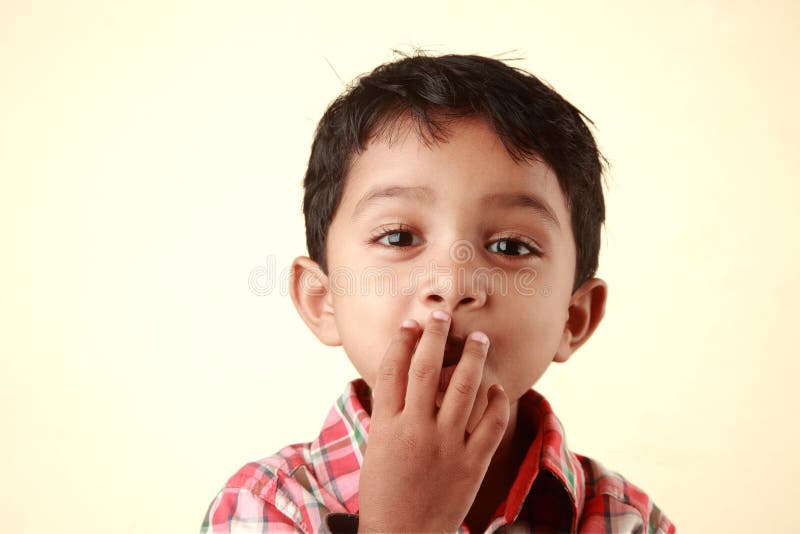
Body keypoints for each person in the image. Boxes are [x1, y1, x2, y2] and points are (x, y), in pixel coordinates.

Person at [200, 53, 676, 533]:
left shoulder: (626, 520)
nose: (451, 286)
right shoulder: (268, 505)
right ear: (323, 299)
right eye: (399, 237)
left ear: (573, 319)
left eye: (510, 246)